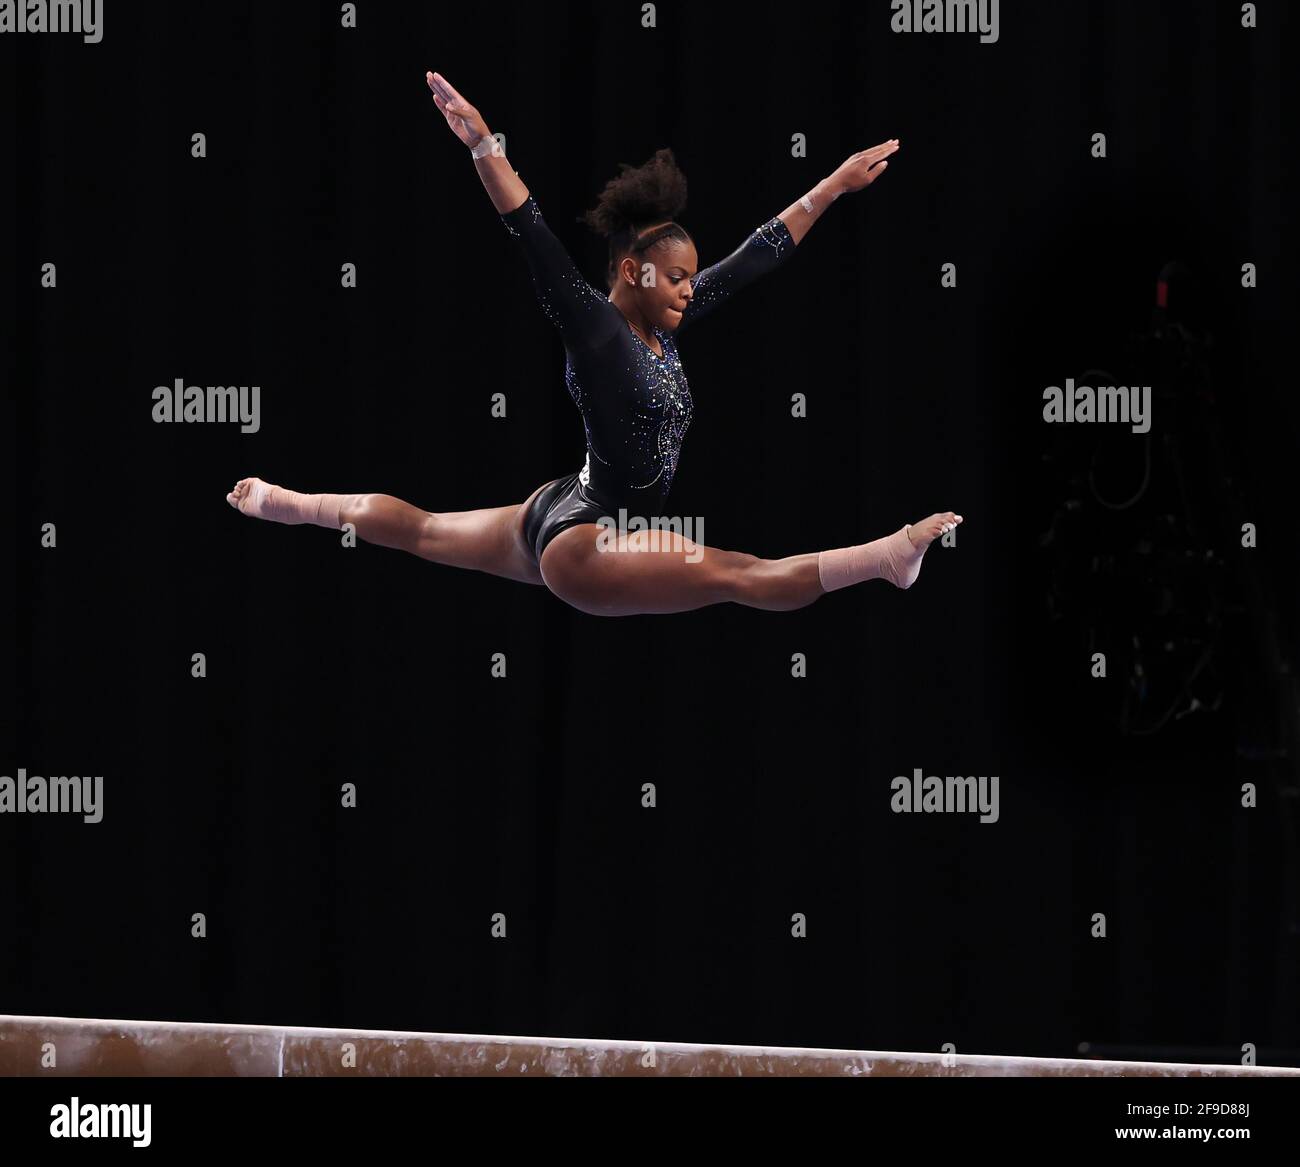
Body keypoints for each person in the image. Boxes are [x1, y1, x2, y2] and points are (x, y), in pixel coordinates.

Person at [226, 70, 962, 616]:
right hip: (583, 544)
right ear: (633, 271)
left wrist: (831, 185)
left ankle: (284, 502)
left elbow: (755, 256)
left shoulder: (657, 322)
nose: (688, 291)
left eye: (690, 281)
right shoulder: (598, 329)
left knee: (420, 530)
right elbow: (533, 234)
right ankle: (887, 557)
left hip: (563, 507)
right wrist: (484, 144)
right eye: (676, 277)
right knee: (738, 573)